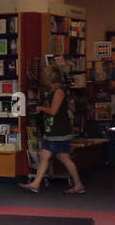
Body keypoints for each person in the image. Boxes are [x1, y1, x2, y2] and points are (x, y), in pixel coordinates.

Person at [20, 66, 84, 194]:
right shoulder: (56, 91)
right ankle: (37, 183)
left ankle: (77, 184)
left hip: (58, 130)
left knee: (56, 156)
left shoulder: (59, 92)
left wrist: (41, 108)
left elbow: (53, 111)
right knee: (55, 156)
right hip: (55, 130)